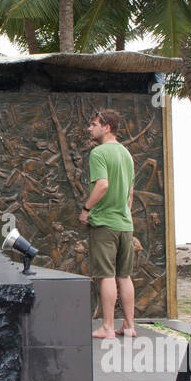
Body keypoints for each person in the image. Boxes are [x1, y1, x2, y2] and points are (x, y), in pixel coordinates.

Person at [80, 108, 136, 339]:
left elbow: (102, 185)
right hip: (125, 224)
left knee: (107, 275)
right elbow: (130, 192)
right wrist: (125, 216)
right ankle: (130, 326)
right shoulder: (126, 154)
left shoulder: (99, 153)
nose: (89, 128)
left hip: (105, 223)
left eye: (93, 124)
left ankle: (108, 327)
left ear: (107, 127)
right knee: (125, 276)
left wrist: (86, 209)